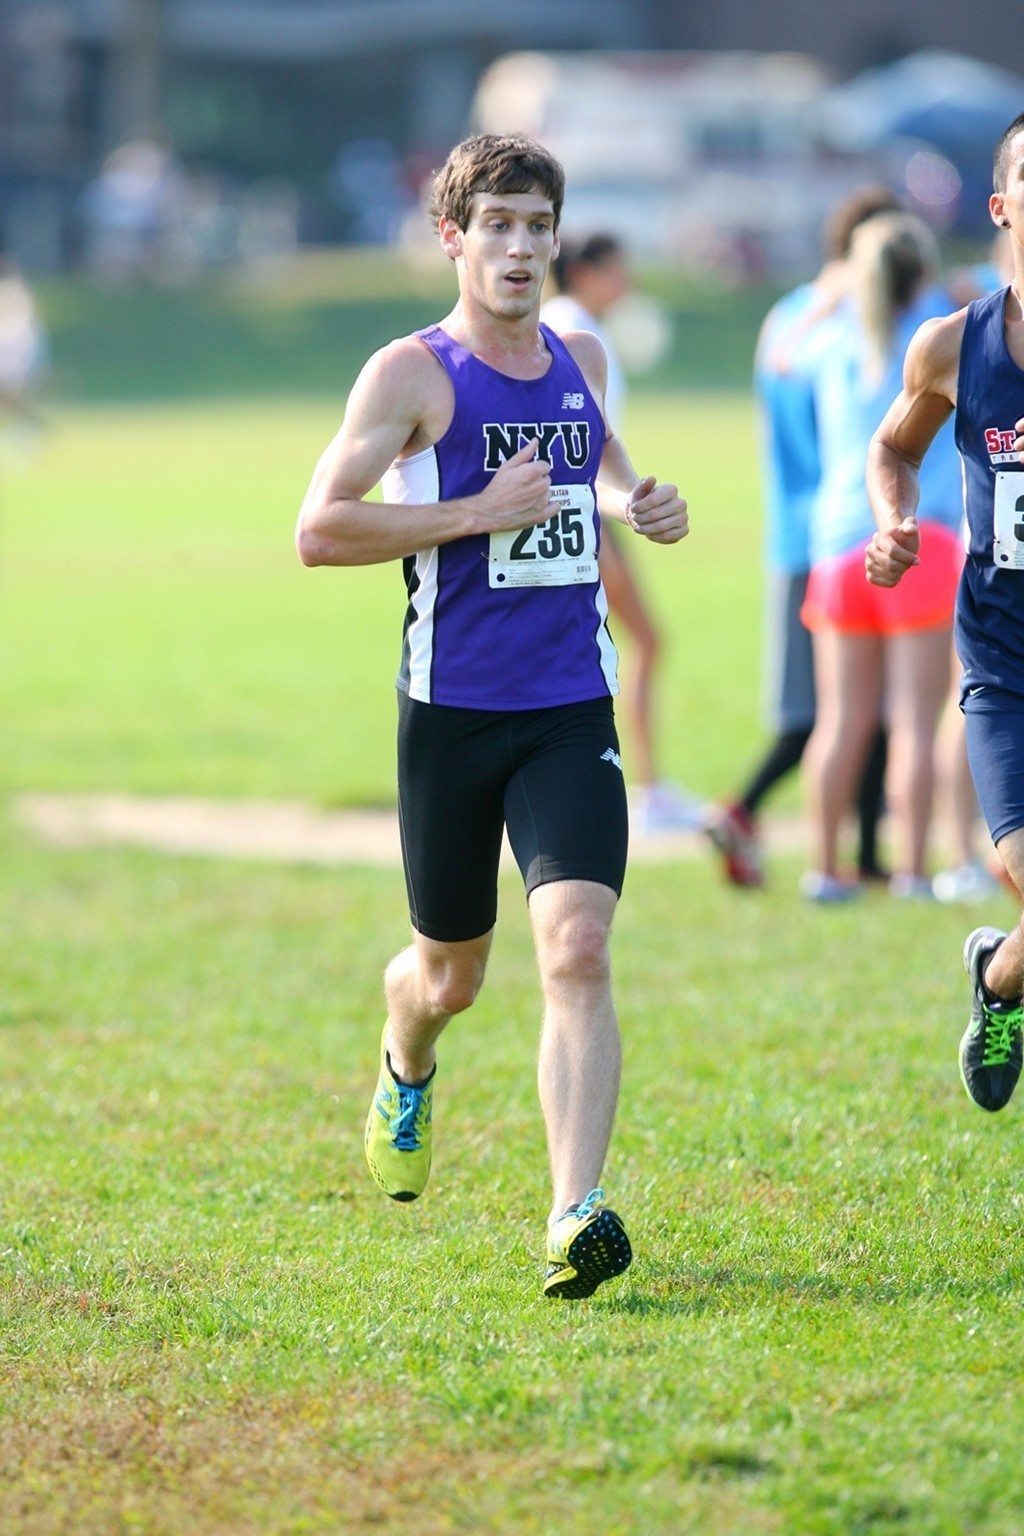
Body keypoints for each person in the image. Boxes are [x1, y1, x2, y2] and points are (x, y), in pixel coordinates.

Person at [295, 133, 689, 1295]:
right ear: (452, 236)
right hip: (453, 717)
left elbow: (597, 465)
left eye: (537, 225)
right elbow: (320, 529)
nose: (520, 248)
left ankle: (575, 1212)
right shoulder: (408, 375)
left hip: (571, 706)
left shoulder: (578, 355)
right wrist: (473, 512)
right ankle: (403, 1055)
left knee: (575, 944)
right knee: (449, 977)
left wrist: (636, 498)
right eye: (498, 225)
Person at [865, 111, 1024, 1112]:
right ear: (1006, 208)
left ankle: (998, 980)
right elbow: (892, 450)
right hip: (1008, 673)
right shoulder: (951, 346)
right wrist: (895, 519)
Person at [706, 188, 900, 888]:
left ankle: (867, 854)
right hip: (835, 534)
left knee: (845, 708)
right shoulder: (850, 322)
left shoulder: (785, 319)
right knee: (827, 713)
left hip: (793, 529)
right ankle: (742, 809)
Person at [799, 211, 963, 902]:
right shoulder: (934, 335)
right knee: (915, 722)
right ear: (918, 272)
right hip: (919, 537)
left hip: (837, 543)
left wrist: (825, 293)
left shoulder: (830, 340)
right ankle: (911, 871)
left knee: (841, 718)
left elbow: (782, 352)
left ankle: (825, 867)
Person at [541, 234, 704, 834]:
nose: (627, 283)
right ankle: (646, 788)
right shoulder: (567, 328)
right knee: (639, 641)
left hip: (596, 509)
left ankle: (636, 784)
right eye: (618, 270)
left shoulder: (582, 329)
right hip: (584, 516)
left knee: (625, 643)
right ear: (584, 273)